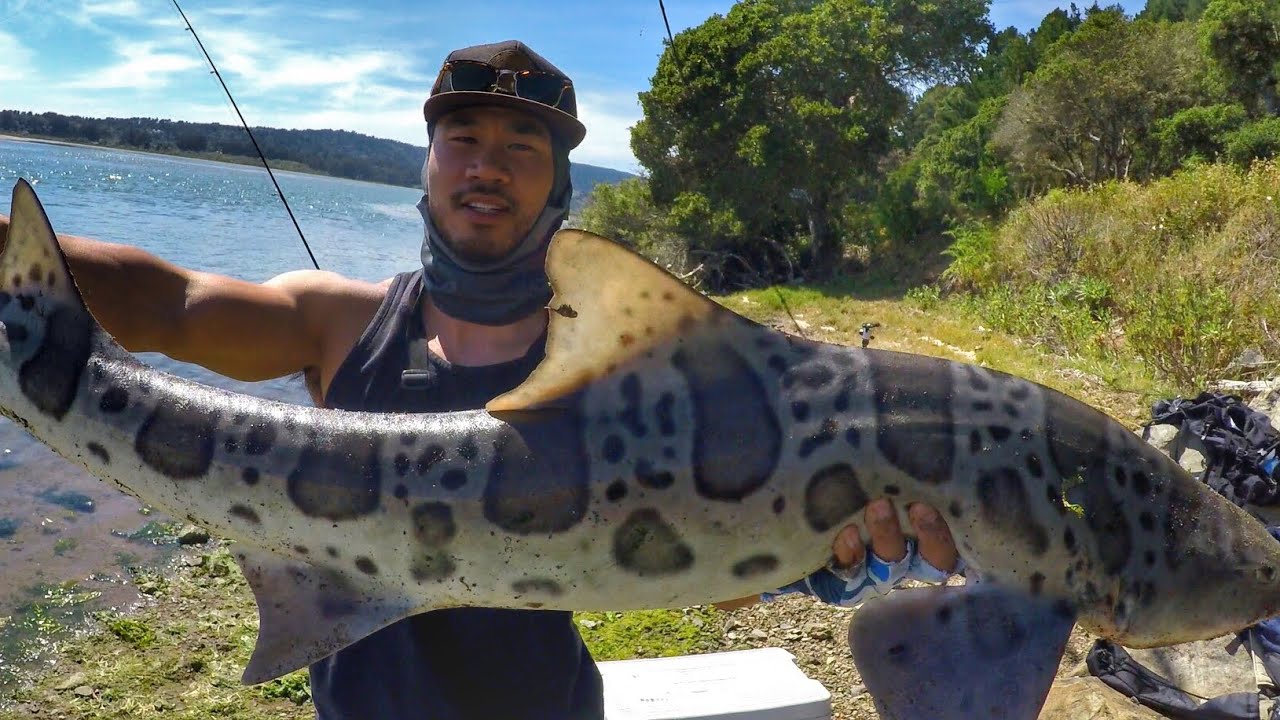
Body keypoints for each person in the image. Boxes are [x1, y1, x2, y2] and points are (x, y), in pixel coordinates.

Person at [1, 40, 960, 719]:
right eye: (462, 139)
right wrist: (17, 268)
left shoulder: (622, 369)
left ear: (560, 187)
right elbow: (169, 303)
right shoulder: (337, 320)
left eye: (521, 148)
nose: (485, 168)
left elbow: (721, 584)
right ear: (426, 164)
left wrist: (829, 560)